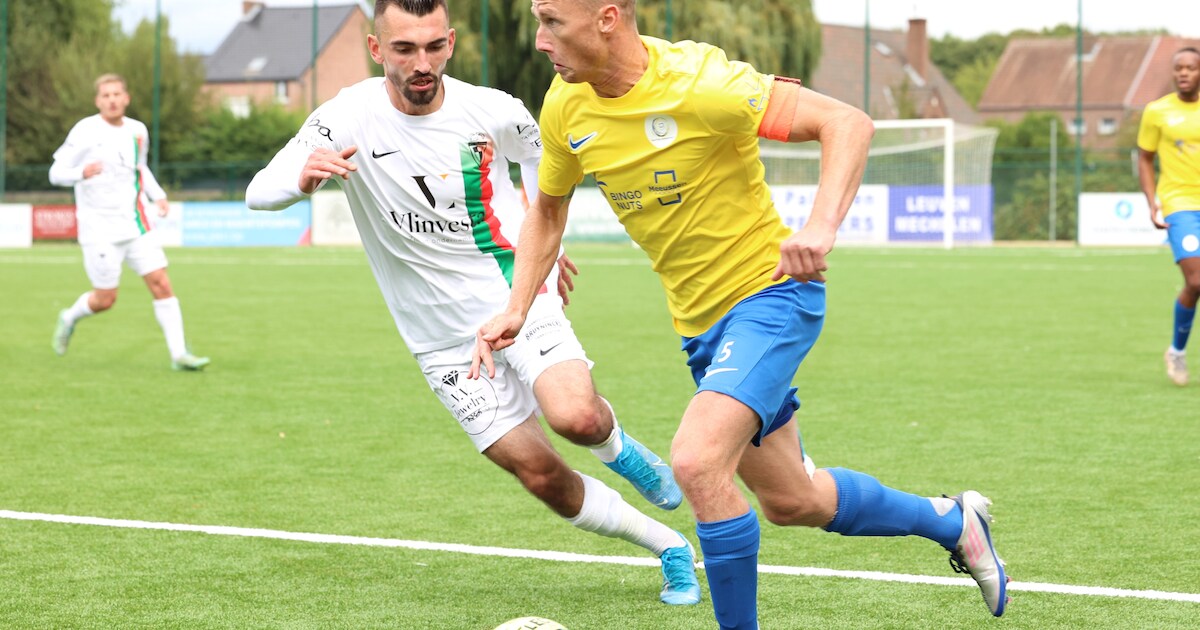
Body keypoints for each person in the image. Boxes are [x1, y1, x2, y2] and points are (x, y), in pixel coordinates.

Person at [471, 1, 1008, 626]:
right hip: (701, 329)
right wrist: (517, 306)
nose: (539, 40)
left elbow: (847, 123)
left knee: (697, 462)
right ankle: (952, 521)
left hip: (770, 296)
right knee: (792, 499)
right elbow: (547, 211)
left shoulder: (703, 82)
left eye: (552, 21)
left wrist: (820, 226)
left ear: (608, 18)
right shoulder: (566, 104)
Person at [244, 0, 699, 606]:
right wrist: (300, 179)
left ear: (451, 43)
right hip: (439, 341)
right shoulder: (345, 116)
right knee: (541, 475)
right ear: (377, 50)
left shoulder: (493, 110)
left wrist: (549, 243)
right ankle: (668, 546)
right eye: (405, 49)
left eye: (434, 46)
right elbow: (259, 191)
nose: (422, 62)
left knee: (577, 418)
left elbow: (544, 163)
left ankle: (619, 450)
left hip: (515, 294)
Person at [48, 73, 209, 371]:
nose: (112, 100)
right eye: (105, 95)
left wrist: (158, 195)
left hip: (136, 223)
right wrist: (80, 173)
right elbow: (55, 173)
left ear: (126, 98)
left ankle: (179, 355)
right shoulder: (85, 130)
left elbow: (140, 167)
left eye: (116, 94)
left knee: (161, 283)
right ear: (98, 101)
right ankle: (69, 317)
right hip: (99, 229)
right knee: (105, 299)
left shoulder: (138, 130)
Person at [1138, 46, 1200, 387]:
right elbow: (1145, 158)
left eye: (1191, 67)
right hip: (1179, 203)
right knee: (1197, 281)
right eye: (1179, 68)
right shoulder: (1157, 111)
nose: (1184, 73)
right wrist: (1153, 201)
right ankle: (1177, 351)